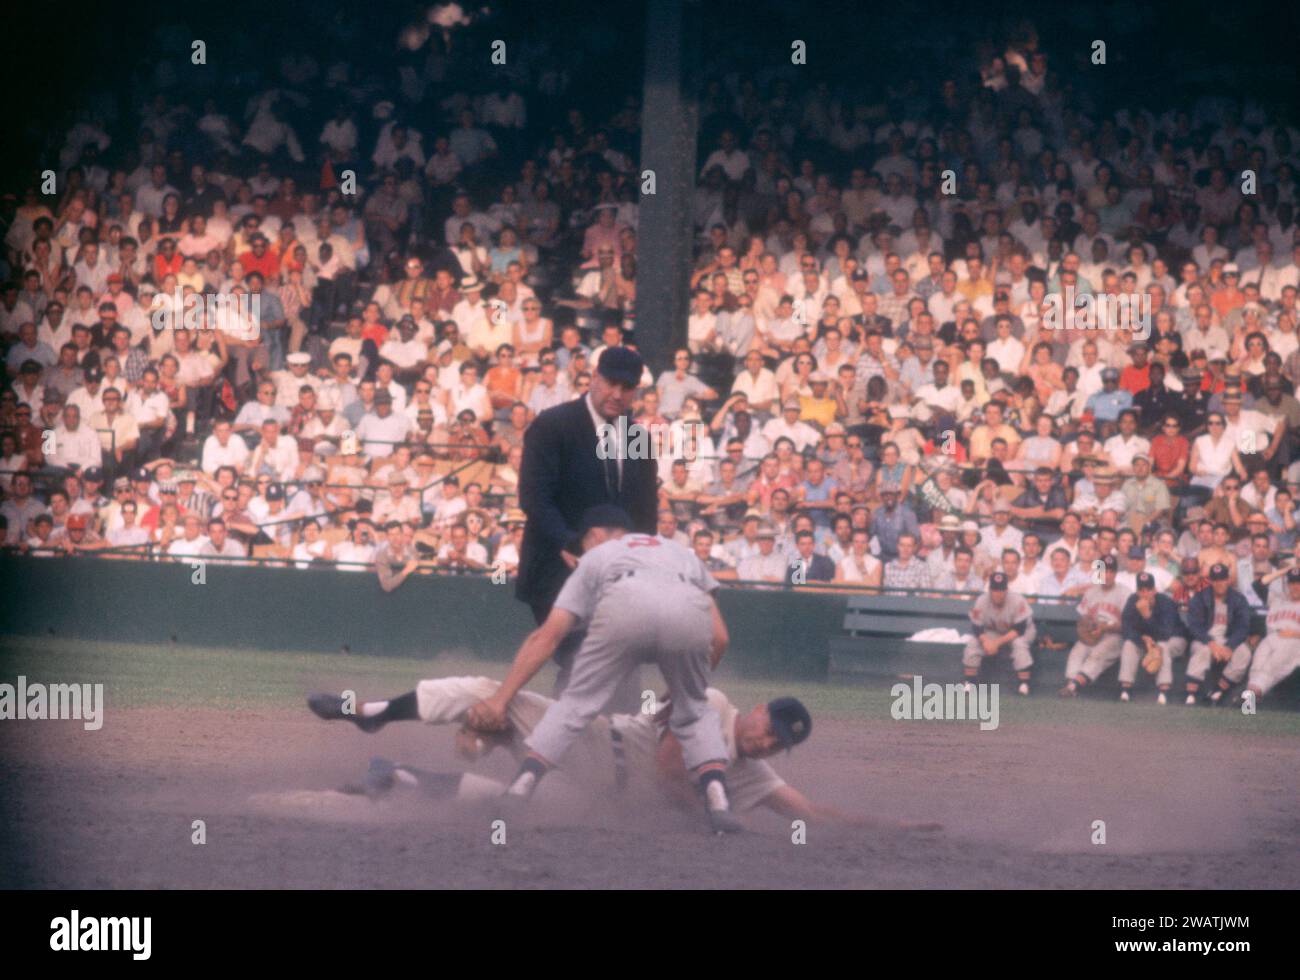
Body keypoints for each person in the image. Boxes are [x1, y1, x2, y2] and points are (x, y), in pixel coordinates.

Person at [305, 674, 926, 831]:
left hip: (599, 790)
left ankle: (393, 777)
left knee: (507, 801)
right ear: (760, 711)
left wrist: (897, 826)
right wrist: (711, 817)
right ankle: (373, 715)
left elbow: (810, 813)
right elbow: (663, 770)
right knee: (485, 697)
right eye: (769, 729)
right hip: (592, 741)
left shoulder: (752, 773)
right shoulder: (715, 702)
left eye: (775, 745)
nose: (765, 742)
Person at [466, 505, 742, 834]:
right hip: (687, 609)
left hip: (624, 605)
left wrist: (502, 696)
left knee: (576, 704)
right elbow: (721, 638)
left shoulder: (598, 556)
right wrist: (686, 691)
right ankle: (717, 799)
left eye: (583, 543)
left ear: (594, 535)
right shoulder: (682, 554)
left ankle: (521, 786)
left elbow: (548, 636)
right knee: (696, 711)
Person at [514, 346, 658, 710]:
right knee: (583, 658)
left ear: (636, 391)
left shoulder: (637, 437)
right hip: (558, 569)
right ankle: (564, 751)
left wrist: (643, 562)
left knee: (621, 665)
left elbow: (645, 511)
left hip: (615, 577)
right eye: (611, 383)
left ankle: (612, 751)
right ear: (593, 377)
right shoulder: (553, 424)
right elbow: (533, 498)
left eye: (627, 388)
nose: (617, 394)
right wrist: (570, 542)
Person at [1183, 562, 1253, 705]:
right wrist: (1211, 643)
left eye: (1222, 579)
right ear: (1210, 581)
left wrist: (1230, 646)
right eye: (1215, 580)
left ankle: (1218, 690)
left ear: (1228, 580)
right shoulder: (1200, 597)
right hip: (1205, 639)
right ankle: (1191, 694)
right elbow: (1194, 626)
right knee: (1202, 651)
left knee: (1244, 652)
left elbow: (1243, 627)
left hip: (1228, 640)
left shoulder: (1238, 599)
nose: (1219, 583)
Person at [1117, 572, 1187, 704]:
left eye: (1148, 590)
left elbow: (1166, 633)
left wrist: (1148, 616)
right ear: (1137, 591)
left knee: (1162, 646)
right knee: (1129, 645)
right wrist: (1142, 638)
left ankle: (1163, 691)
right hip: (1149, 641)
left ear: (1154, 590)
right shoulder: (1132, 600)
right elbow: (1126, 628)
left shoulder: (1165, 602)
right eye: (1141, 590)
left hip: (1175, 640)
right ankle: (1125, 690)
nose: (1145, 594)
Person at [962, 572, 1035, 695]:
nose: (998, 593)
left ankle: (1024, 684)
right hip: (995, 631)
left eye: (1001, 590)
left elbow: (1019, 629)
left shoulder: (1018, 600)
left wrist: (995, 643)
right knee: (974, 642)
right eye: (995, 590)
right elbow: (976, 626)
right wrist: (986, 641)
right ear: (990, 589)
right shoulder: (982, 600)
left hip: (1021, 632)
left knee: (1019, 644)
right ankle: (969, 683)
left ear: (1006, 589)